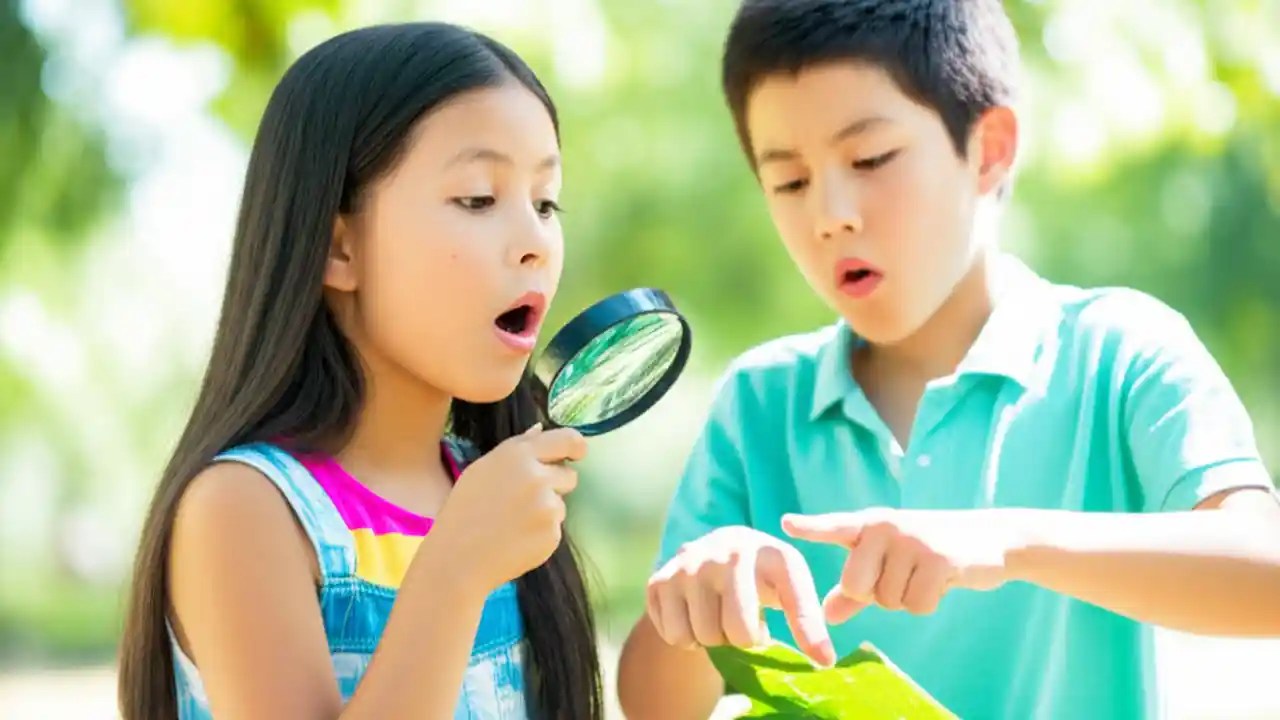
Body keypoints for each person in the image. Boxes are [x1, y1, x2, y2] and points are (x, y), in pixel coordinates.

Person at [617, 2, 1280, 719]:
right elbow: (652, 707)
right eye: (790, 181)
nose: (830, 213)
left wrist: (1010, 540)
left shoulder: (1119, 354)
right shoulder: (758, 403)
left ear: (989, 149)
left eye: (870, 159)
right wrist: (690, 613)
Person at [117, 22, 603, 720]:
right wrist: (455, 569)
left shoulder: (490, 490)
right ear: (338, 246)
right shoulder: (245, 509)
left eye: (546, 202)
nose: (534, 242)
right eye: (477, 199)